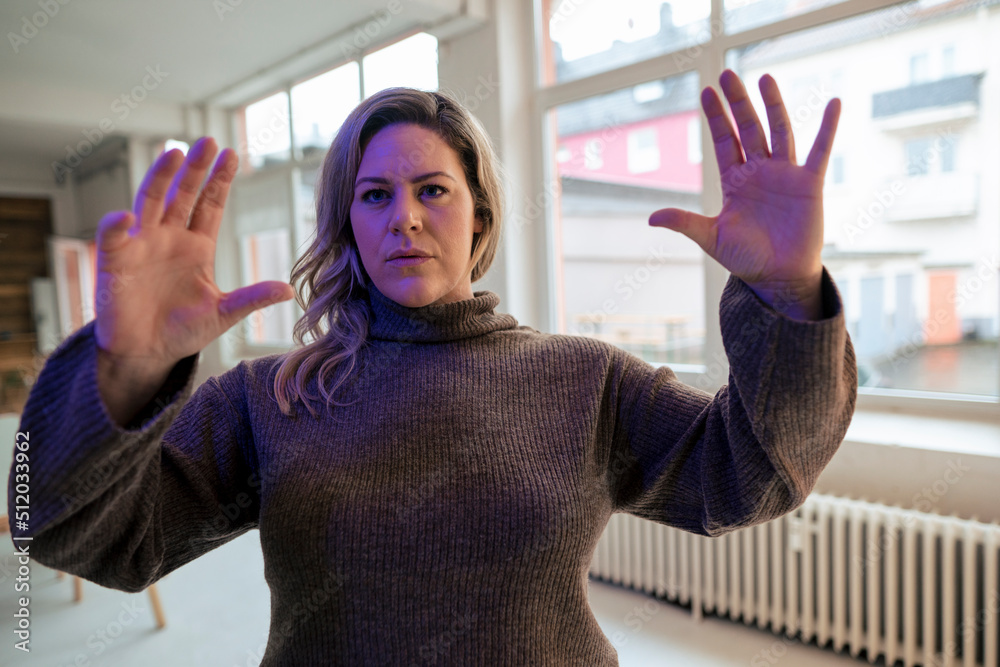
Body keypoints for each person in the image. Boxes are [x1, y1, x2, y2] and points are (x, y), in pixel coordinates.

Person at [9, 70, 856, 665]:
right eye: (374, 195)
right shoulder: (270, 397)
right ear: (348, 221)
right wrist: (120, 372)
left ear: (480, 210)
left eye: (432, 190)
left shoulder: (583, 379)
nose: (404, 218)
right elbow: (69, 531)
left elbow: (750, 476)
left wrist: (788, 294)